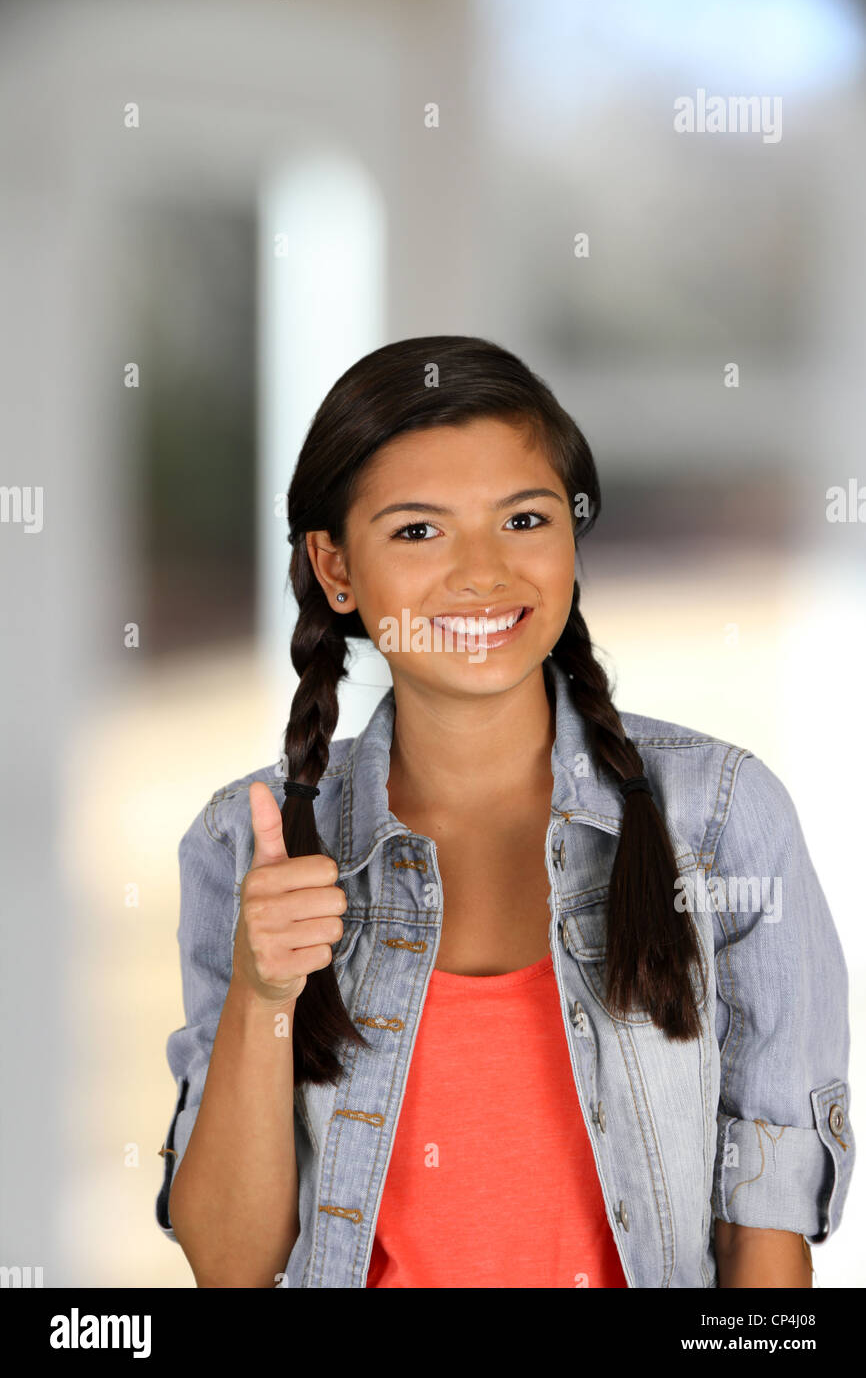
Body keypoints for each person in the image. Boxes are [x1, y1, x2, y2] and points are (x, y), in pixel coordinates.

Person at [156, 334, 854, 1288]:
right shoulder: (246, 844)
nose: (483, 573)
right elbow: (231, 1263)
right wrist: (263, 996)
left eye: (524, 520)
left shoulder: (724, 816)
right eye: (417, 531)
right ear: (335, 568)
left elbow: (762, 1235)